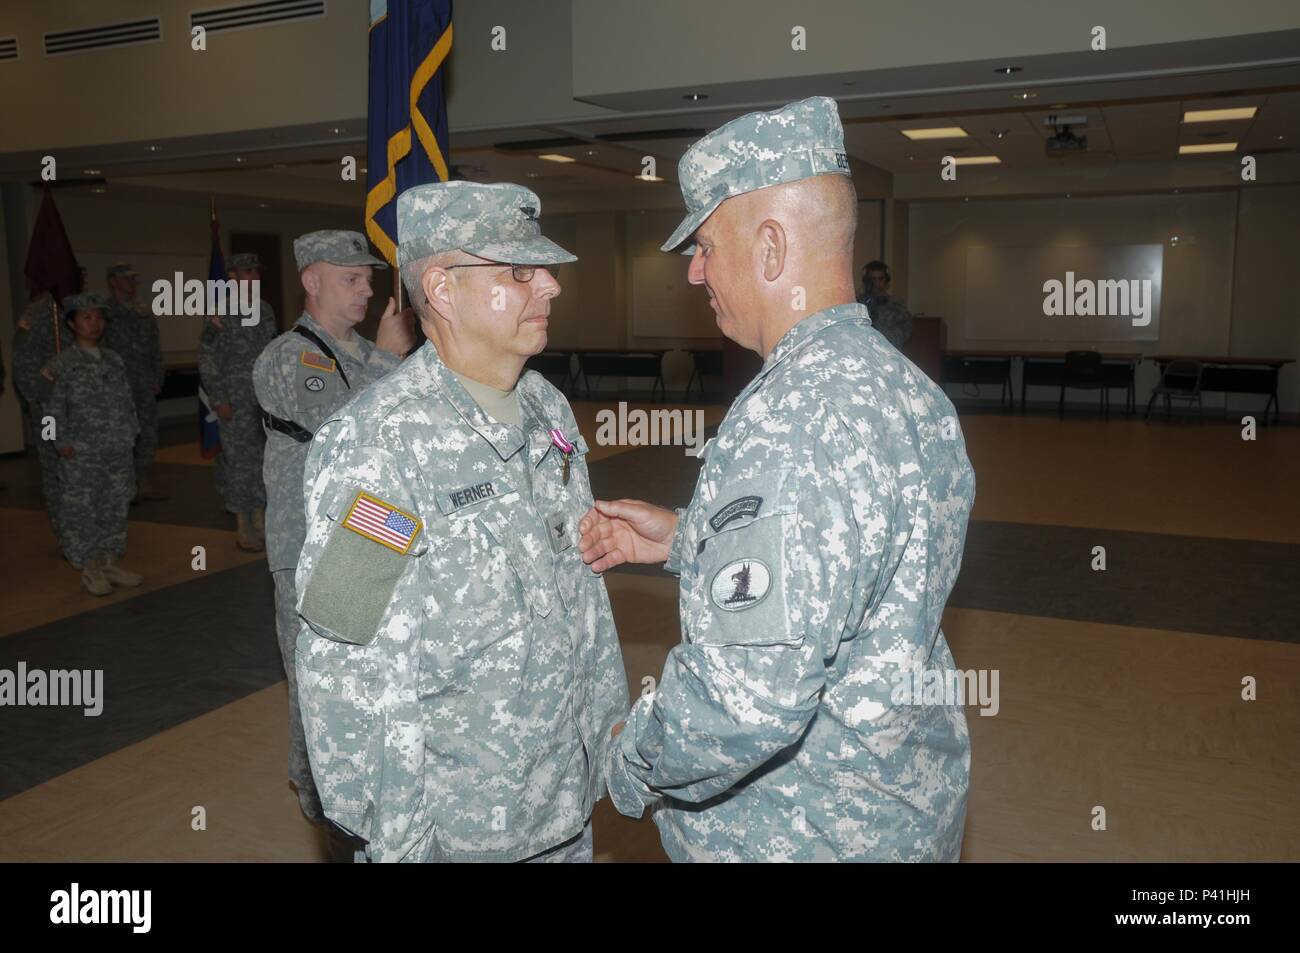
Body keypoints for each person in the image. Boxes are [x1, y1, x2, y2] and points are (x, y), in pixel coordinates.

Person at [578, 97, 976, 862]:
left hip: (803, 830)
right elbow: (849, 561)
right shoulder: (901, 385)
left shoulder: (790, 417)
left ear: (768, 246)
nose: (694, 272)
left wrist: (632, 760)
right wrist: (689, 537)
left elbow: (746, 699)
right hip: (900, 808)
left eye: (703, 246)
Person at [294, 181, 628, 863]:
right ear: (441, 289)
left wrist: (605, 738)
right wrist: (394, 837)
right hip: (456, 826)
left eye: (544, 270)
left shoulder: (547, 409)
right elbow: (343, 655)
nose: (550, 288)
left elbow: (577, 591)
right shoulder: (379, 446)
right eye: (517, 271)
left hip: (561, 797)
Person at [251, 229, 413, 831]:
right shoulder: (291, 355)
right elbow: (349, 426)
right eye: (351, 278)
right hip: (308, 544)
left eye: (369, 278)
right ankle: (316, 784)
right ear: (311, 281)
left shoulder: (365, 354)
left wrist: (390, 360)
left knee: (366, 661)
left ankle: (364, 768)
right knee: (315, 670)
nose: (367, 290)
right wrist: (394, 361)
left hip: (370, 534)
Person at [46, 293, 142, 596]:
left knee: (115, 505)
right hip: (81, 451)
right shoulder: (61, 365)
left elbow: (127, 402)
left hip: (117, 448)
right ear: (72, 324)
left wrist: (132, 433)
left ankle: (110, 562)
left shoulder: (114, 360)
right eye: (86, 318)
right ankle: (89, 568)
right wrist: (59, 442)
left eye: (99, 317)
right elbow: (49, 410)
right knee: (82, 510)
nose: (95, 324)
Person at [198, 252, 278, 551]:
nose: (254, 277)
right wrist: (219, 398)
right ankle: (243, 522)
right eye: (247, 272)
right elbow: (207, 358)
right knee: (239, 462)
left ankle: (260, 517)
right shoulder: (219, 312)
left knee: (262, 459)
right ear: (232, 277)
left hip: (263, 398)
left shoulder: (265, 308)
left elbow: (271, 351)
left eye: (256, 272)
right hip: (234, 398)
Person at [102, 263, 167, 501]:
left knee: (148, 433)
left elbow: (155, 348)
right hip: (119, 386)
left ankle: (145, 481)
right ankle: (124, 485)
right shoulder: (104, 313)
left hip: (144, 383)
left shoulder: (143, 311)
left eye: (133, 279)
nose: (131, 283)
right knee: (123, 435)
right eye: (126, 279)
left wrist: (157, 377)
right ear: (113, 282)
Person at [11, 291, 65, 542]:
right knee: (52, 464)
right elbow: (21, 361)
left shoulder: (77, 310)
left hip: (79, 410)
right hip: (47, 410)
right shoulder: (37, 313)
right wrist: (39, 401)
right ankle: (63, 529)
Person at [858, 259, 913, 350]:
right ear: (866, 281)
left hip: (891, 351)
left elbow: (906, 329)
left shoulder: (897, 303)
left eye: (881, 279)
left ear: (886, 280)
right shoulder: (859, 304)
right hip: (866, 351)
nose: (877, 283)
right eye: (873, 279)